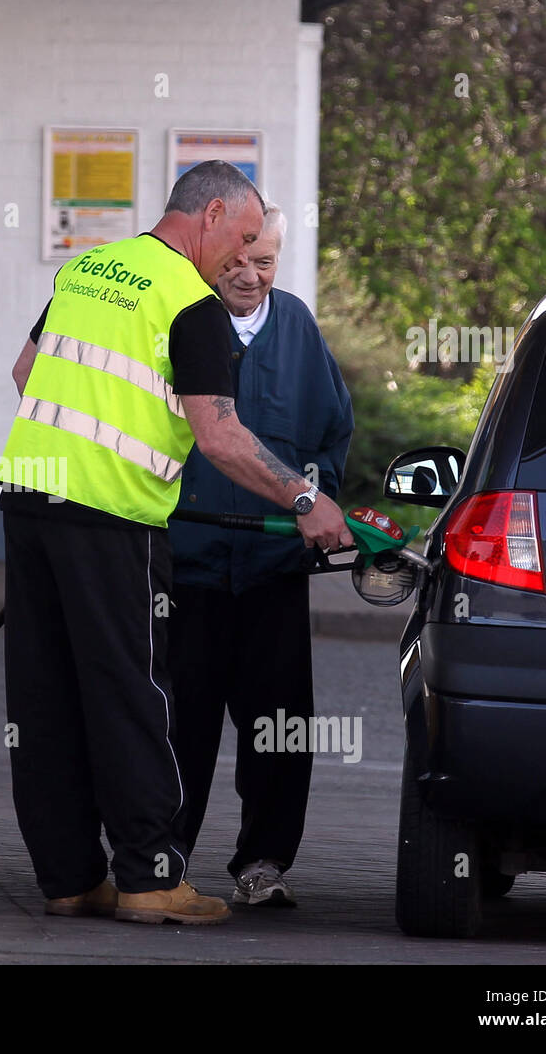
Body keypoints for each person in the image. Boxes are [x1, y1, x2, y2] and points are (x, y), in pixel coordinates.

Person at [0, 162, 352, 925]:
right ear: (212, 212)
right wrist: (304, 497)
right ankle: (150, 877)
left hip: (29, 500)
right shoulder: (190, 303)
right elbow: (219, 435)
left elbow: (27, 371)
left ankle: (68, 878)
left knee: (46, 695)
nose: (246, 255)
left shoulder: (91, 267)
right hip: (110, 516)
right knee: (136, 697)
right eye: (244, 236)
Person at [168, 203, 354, 908]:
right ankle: (164, 857)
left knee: (279, 726)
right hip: (185, 567)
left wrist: (319, 502)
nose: (248, 275)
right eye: (237, 260)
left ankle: (263, 863)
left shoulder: (298, 327)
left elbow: (332, 428)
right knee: (177, 723)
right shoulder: (183, 319)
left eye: (265, 261)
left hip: (273, 569)